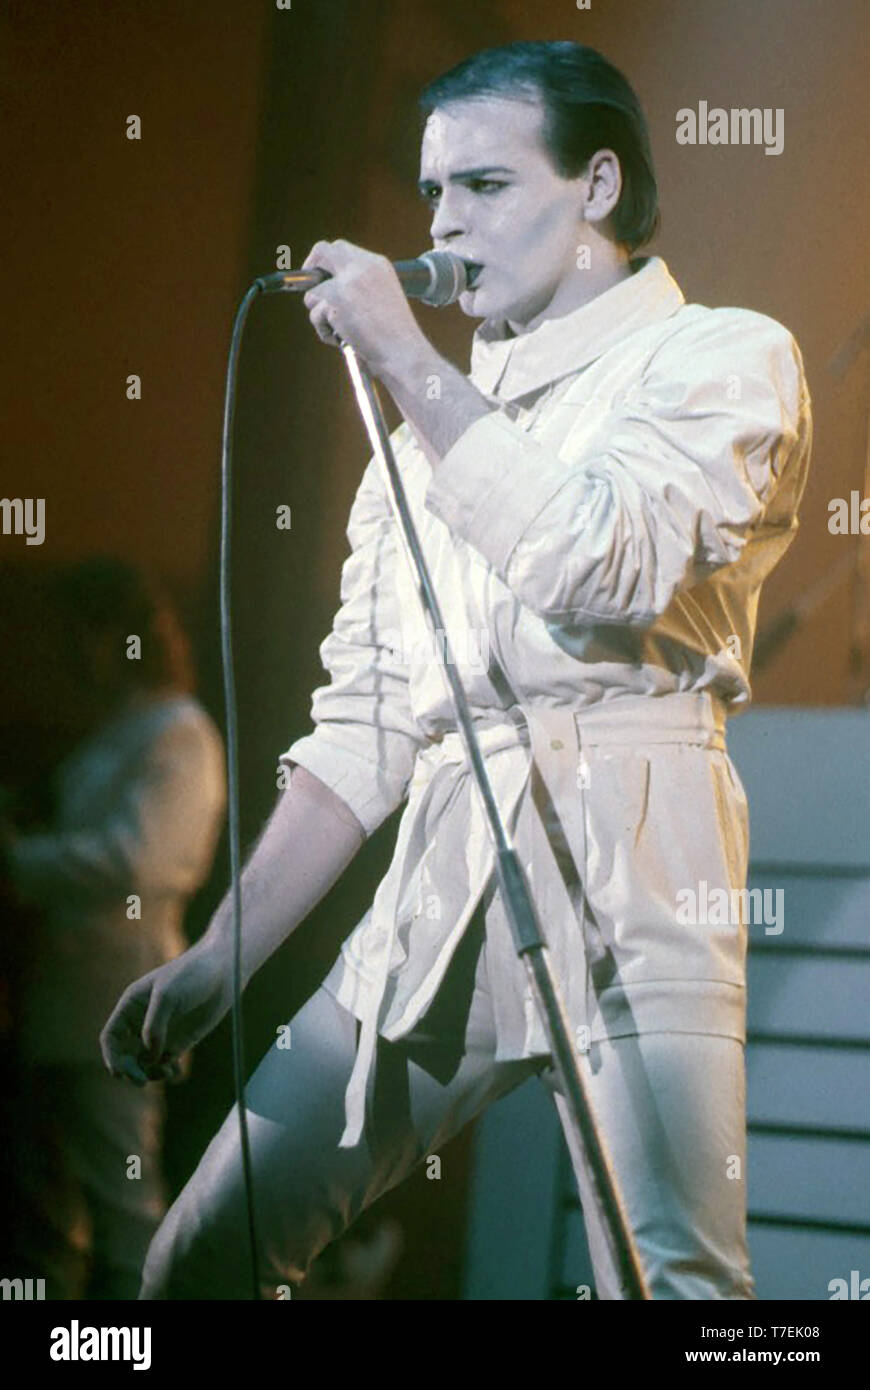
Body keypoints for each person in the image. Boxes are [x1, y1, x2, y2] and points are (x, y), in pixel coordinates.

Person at [101, 40, 812, 1300]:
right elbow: (368, 722)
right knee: (197, 1263)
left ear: (598, 186)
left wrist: (411, 368)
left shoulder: (723, 355)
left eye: (483, 185)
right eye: (434, 193)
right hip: (444, 864)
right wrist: (226, 953)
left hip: (635, 849)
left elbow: (605, 564)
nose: (444, 225)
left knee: (677, 1288)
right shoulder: (421, 430)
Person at [2, 557, 226, 1297]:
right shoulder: (118, 729)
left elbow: (141, 860)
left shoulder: (178, 733)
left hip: (118, 998)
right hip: (65, 997)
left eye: (88, 633)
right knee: (53, 1210)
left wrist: (19, 859)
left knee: (124, 1205)